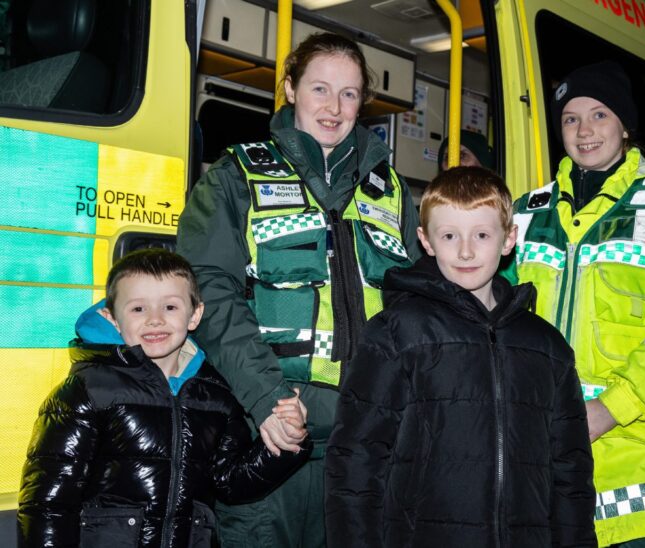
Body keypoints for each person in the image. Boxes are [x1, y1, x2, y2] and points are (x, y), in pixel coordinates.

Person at [177, 32, 421, 547]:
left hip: (370, 437)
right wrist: (268, 399)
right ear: (289, 88)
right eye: (320, 89)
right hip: (277, 430)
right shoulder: (235, 176)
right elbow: (211, 295)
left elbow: (417, 305)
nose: (334, 108)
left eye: (350, 94)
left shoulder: (393, 192)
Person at [501, 61, 645, 547]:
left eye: (600, 115)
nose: (584, 131)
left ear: (625, 125)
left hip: (638, 465)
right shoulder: (526, 212)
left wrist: (609, 408)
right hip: (539, 460)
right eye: (571, 118)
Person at [325, 166, 596, 547]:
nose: (466, 250)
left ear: (509, 238)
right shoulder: (396, 333)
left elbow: (572, 475)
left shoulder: (548, 348)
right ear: (426, 240)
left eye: (482, 235)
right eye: (449, 235)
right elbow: (356, 462)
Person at [17, 249, 311, 548]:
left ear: (195, 314)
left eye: (170, 307)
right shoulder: (89, 389)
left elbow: (231, 483)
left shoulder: (217, 396)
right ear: (112, 317)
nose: (155, 320)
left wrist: (285, 440)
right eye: (138, 309)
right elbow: (48, 501)